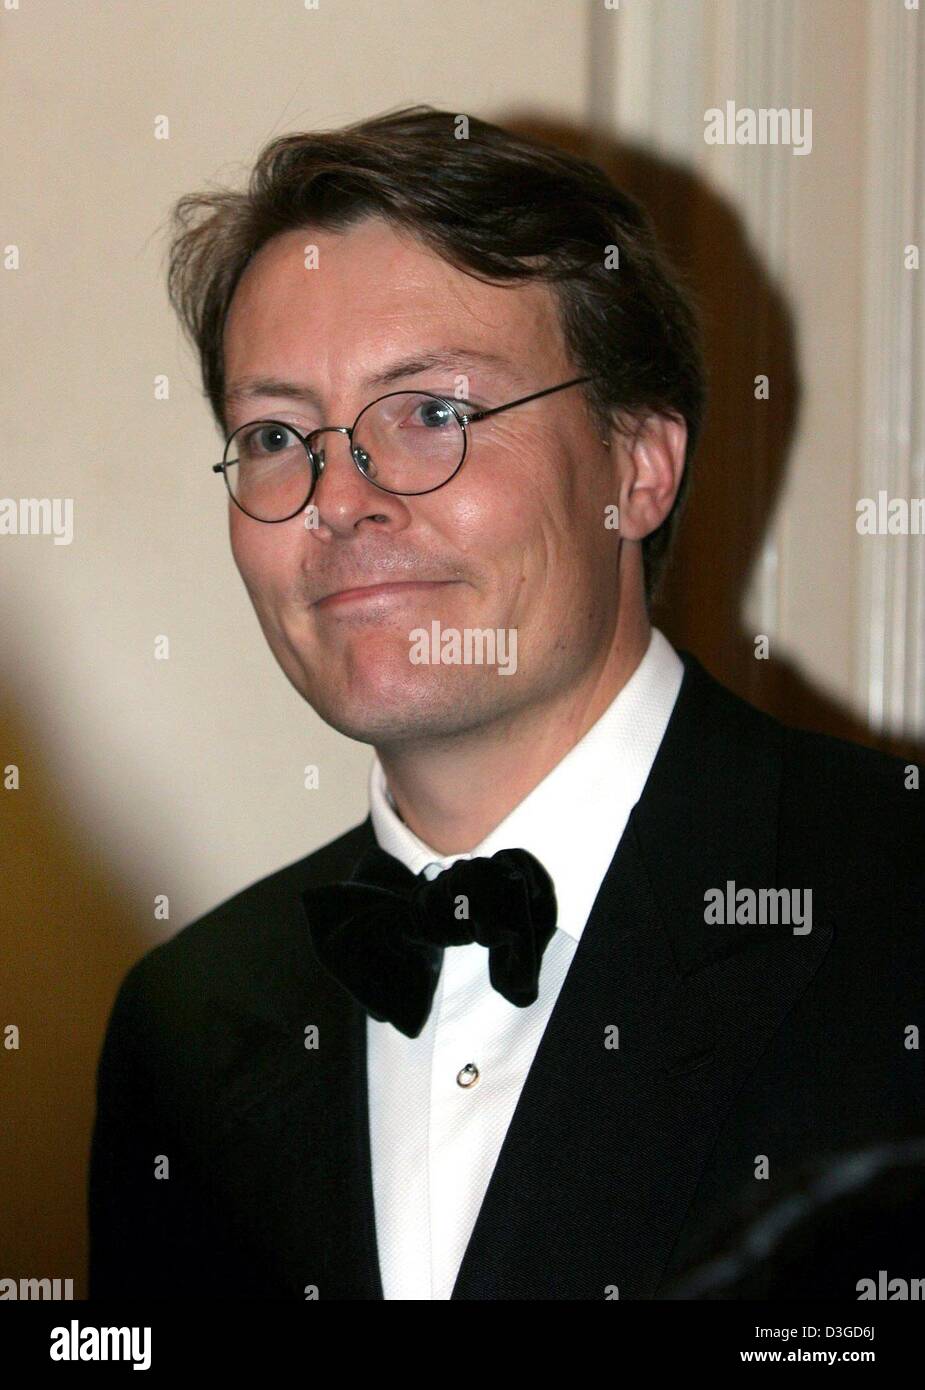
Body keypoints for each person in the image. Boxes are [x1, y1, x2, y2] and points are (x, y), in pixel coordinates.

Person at [88, 105, 924, 1301]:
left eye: (434, 412)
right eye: (275, 433)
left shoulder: (894, 902)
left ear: (638, 464)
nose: (339, 500)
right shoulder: (185, 1025)